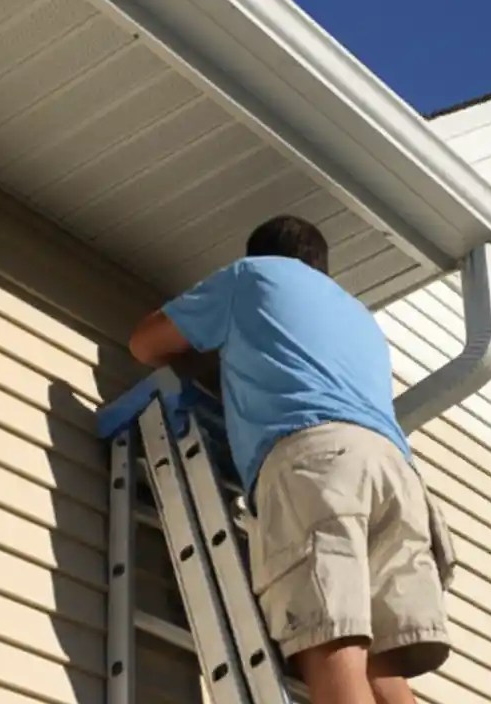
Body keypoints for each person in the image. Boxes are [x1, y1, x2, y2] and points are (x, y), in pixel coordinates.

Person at [127, 215, 450, 704]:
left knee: (334, 647)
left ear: (260, 254)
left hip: (320, 466)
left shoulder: (251, 276)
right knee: (383, 670)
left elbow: (144, 343)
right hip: (397, 475)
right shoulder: (360, 317)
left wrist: (216, 356)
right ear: (321, 266)